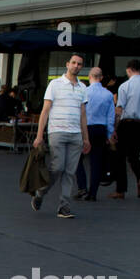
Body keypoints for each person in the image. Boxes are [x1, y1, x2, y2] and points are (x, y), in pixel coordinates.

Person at [32, 52, 90, 219]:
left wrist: (85, 138)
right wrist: (39, 135)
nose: (76, 66)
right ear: (67, 64)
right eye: (74, 63)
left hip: (76, 134)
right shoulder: (55, 84)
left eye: (79, 64)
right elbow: (45, 110)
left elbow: (83, 114)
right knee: (58, 167)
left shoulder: (82, 88)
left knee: (70, 172)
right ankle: (41, 193)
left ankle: (64, 207)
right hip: (57, 131)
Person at [111, 58, 140, 200]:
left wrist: (114, 127)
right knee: (134, 155)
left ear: (128, 69)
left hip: (126, 123)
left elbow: (119, 108)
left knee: (120, 156)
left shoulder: (125, 86)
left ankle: (120, 190)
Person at [74, 67, 115, 201]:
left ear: (89, 77)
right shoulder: (108, 94)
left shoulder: (83, 92)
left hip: (84, 128)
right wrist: (109, 134)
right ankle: (93, 193)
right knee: (96, 161)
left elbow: (78, 113)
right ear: (101, 78)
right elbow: (110, 117)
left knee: (77, 159)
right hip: (100, 128)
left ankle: (82, 188)